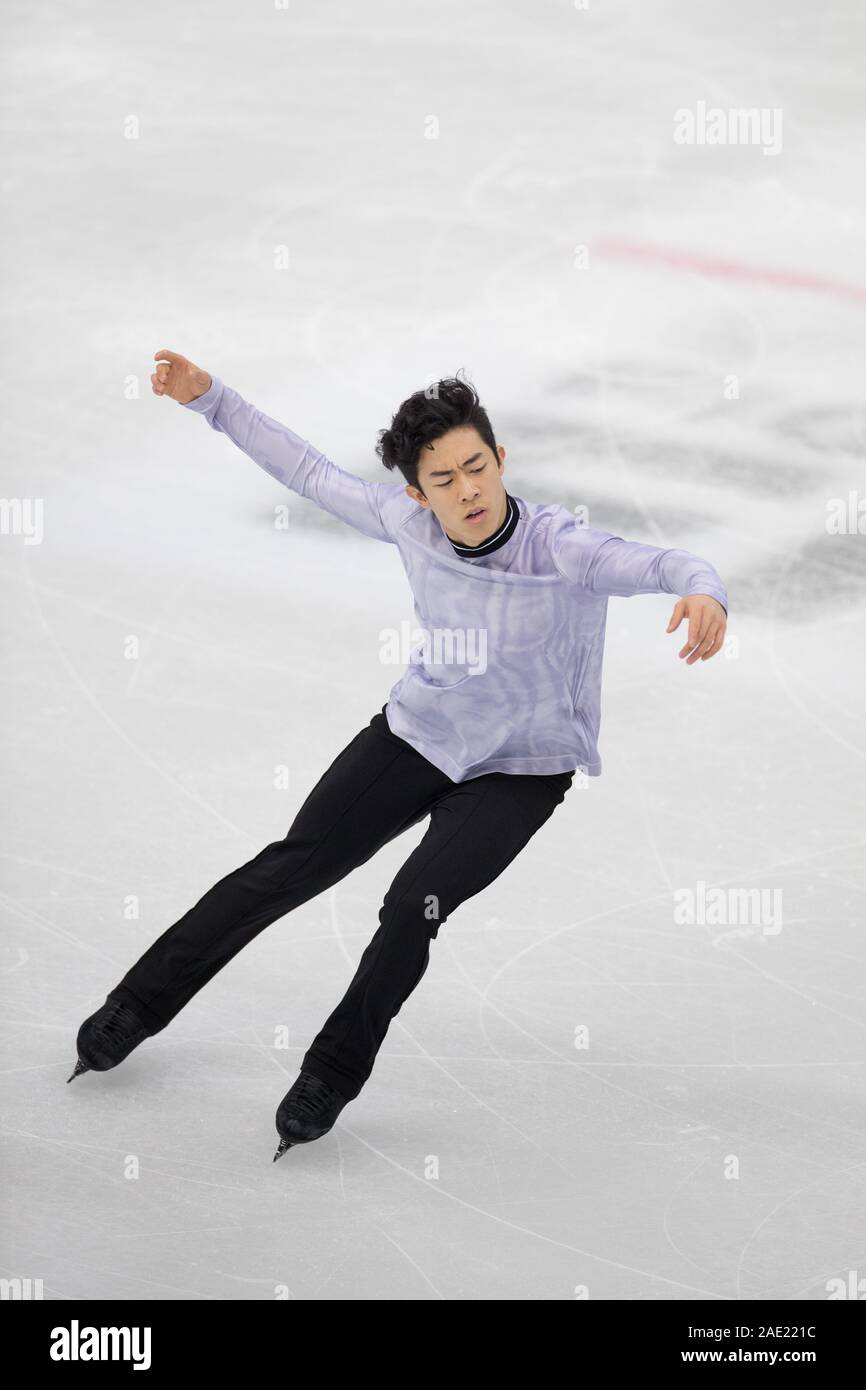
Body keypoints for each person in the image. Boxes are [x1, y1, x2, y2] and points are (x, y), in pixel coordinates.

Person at [70, 349, 729, 1162]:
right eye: (444, 480)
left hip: (519, 773)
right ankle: (138, 1004)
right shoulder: (406, 521)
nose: (468, 491)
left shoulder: (561, 548)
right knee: (291, 865)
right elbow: (308, 471)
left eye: (476, 467)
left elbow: (663, 562)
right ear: (418, 493)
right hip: (418, 736)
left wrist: (703, 590)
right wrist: (213, 400)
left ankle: (331, 1072)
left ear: (499, 459)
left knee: (410, 905)